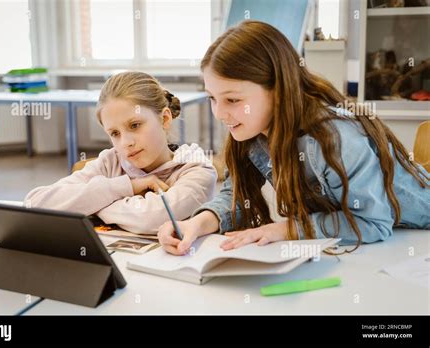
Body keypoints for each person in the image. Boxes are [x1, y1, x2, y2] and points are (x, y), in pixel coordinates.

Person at [158, 20, 429, 255]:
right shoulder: (253, 131)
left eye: (232, 99)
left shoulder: (336, 137)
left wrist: (286, 229)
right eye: (212, 99)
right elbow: (237, 194)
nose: (219, 113)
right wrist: (197, 224)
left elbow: (372, 223)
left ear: (278, 89)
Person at [24, 71, 217, 234]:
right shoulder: (110, 162)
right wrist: (126, 187)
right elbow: (35, 203)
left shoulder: (197, 170)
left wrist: (91, 204)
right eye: (115, 133)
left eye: (135, 125)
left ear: (165, 119)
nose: (126, 143)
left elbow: (148, 218)